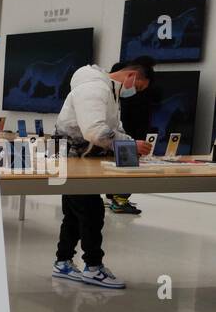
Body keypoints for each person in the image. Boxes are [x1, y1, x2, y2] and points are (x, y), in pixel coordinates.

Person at [50, 57, 154, 290]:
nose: (135, 93)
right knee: (91, 212)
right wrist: (130, 145)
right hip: (72, 161)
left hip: (77, 161)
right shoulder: (94, 88)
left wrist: (131, 145)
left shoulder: (109, 92)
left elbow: (114, 129)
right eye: (138, 87)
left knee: (74, 214)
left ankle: (63, 262)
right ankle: (93, 267)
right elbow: (95, 131)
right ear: (131, 76)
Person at [103, 59, 152, 215]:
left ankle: (118, 198)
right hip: (124, 136)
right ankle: (119, 200)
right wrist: (129, 141)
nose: (136, 91)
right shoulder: (106, 90)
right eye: (138, 87)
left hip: (123, 134)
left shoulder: (117, 94)